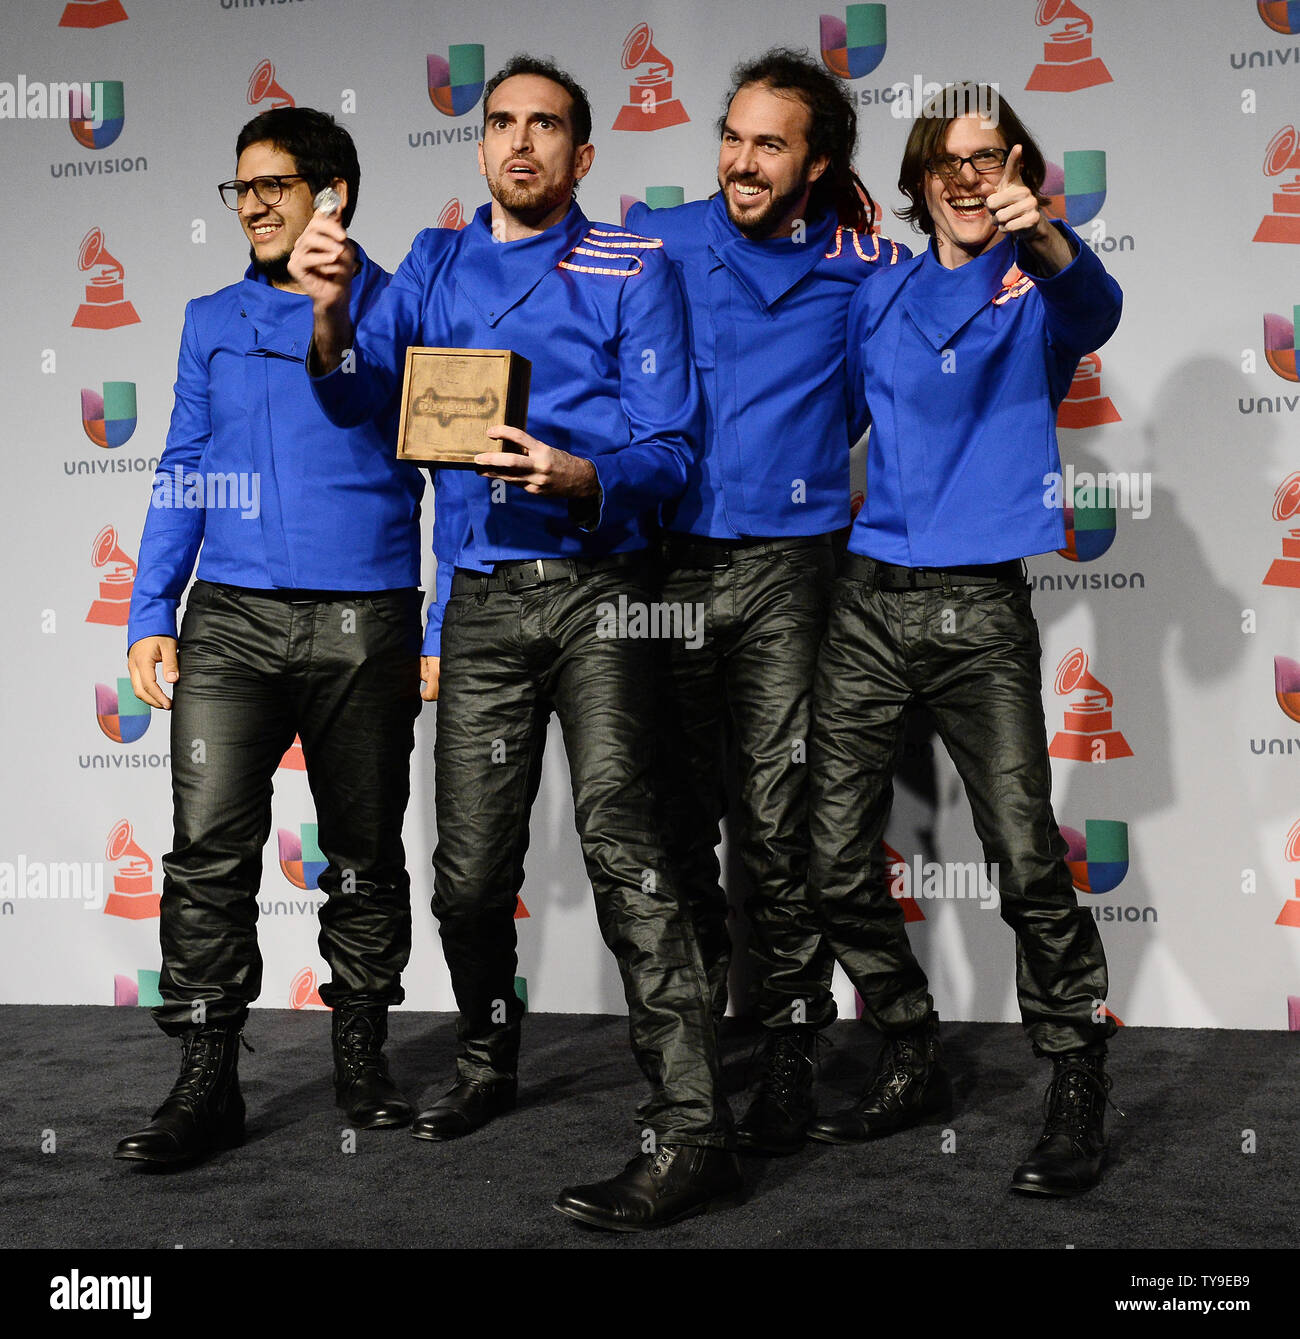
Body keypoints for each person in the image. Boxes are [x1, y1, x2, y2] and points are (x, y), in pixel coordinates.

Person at [291, 56, 738, 1230]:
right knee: (470, 875)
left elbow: (674, 449)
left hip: (599, 594)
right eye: (502, 124)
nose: (522, 142)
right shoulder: (434, 263)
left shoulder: (632, 266)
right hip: (481, 606)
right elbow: (356, 398)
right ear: (479, 144)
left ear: (584, 156)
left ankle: (691, 1128)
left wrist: (581, 471)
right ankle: (488, 1058)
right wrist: (332, 310)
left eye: (547, 126)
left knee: (625, 848)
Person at [806, 84, 1122, 1195]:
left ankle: (1074, 1074)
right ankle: (908, 1047)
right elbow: (821, 419)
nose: (966, 174)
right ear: (917, 180)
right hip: (866, 599)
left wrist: (1041, 231)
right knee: (831, 857)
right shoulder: (876, 294)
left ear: (1017, 167)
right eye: (944, 158)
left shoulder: (1035, 283)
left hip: (977, 608)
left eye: (987, 155)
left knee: (1026, 856)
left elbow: (1097, 307)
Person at [115, 109, 426, 1167]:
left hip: (366, 614)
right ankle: (206, 1080)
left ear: (331, 193)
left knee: (365, 854)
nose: (252, 203)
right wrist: (150, 609)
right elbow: (183, 463)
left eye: (274, 184)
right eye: (239, 188)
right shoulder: (209, 317)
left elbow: (391, 421)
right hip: (233, 621)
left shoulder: (404, 305)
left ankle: (362, 1058)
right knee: (208, 856)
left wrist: (437, 620)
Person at [624, 48, 906, 1155]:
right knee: (679, 823)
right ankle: (699, 1059)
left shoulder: (865, 266)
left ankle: (792, 1057)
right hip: (664, 570)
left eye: (769, 144)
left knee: (781, 832)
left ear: (816, 161)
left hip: (794, 568)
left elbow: (899, 389)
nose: (742, 162)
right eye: (732, 138)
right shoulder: (651, 243)